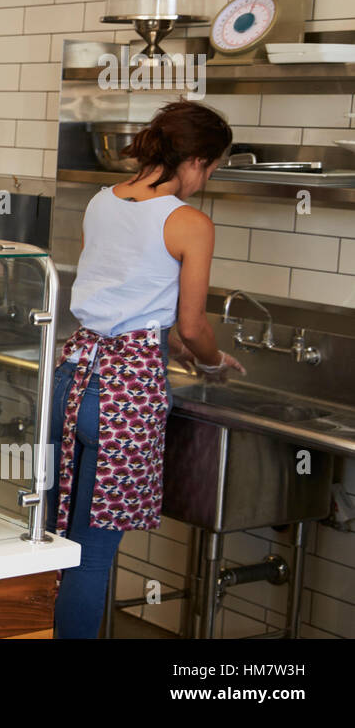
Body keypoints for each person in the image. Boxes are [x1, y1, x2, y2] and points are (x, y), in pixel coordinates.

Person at [45, 100, 246, 638]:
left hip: (73, 374)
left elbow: (116, 286)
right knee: (91, 556)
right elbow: (194, 324)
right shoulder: (189, 222)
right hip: (127, 391)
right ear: (197, 160)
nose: (207, 180)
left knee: (53, 542)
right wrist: (209, 360)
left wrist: (161, 338)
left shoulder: (100, 201)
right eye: (213, 169)